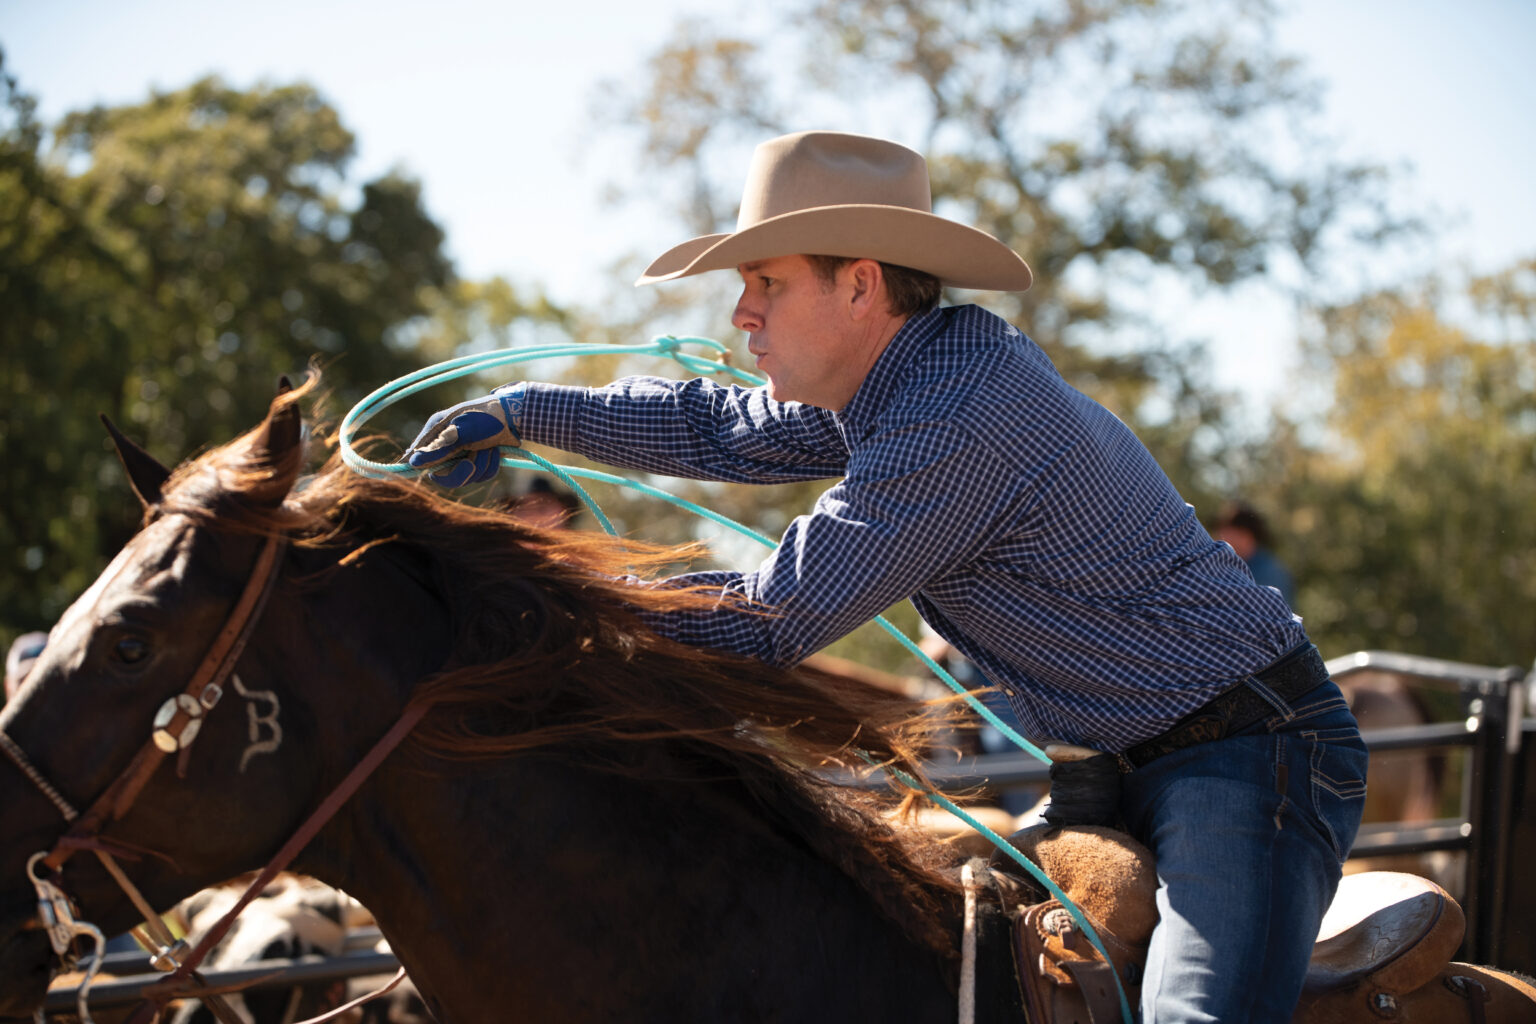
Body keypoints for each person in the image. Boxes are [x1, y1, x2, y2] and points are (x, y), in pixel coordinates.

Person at [405, 130, 1367, 1023]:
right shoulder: (910, 377)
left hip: (1248, 759)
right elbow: (717, 426)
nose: (742, 312)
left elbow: (764, 620)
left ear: (860, 287)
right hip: (1106, 759)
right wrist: (519, 411)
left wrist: (542, 606)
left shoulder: (953, 415)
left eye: (767, 283)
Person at [1211, 499, 1296, 607]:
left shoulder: (1269, 573)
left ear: (1247, 535)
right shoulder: (1227, 565)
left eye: (1228, 532)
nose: (1220, 537)